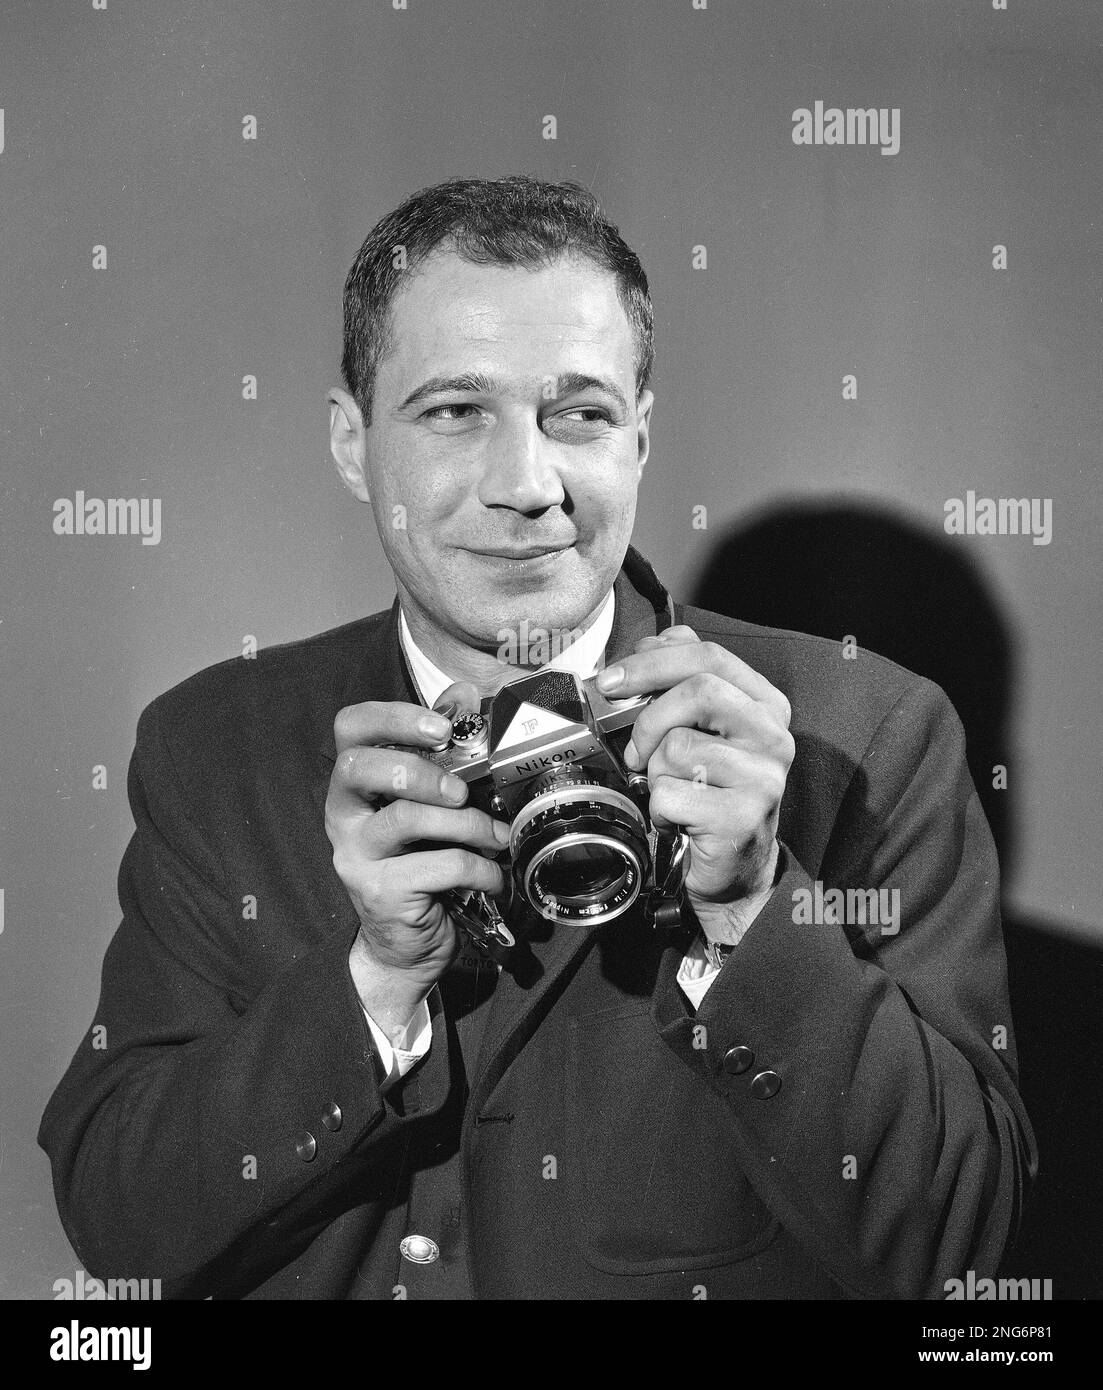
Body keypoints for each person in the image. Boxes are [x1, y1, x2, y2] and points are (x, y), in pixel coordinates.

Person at [39, 175, 1035, 1300]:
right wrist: (370, 983)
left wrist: (752, 912)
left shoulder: (865, 735)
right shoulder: (213, 748)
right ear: (351, 442)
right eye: (455, 411)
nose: (527, 485)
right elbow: (121, 1221)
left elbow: (954, 1247)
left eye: (580, 414)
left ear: (640, 440)